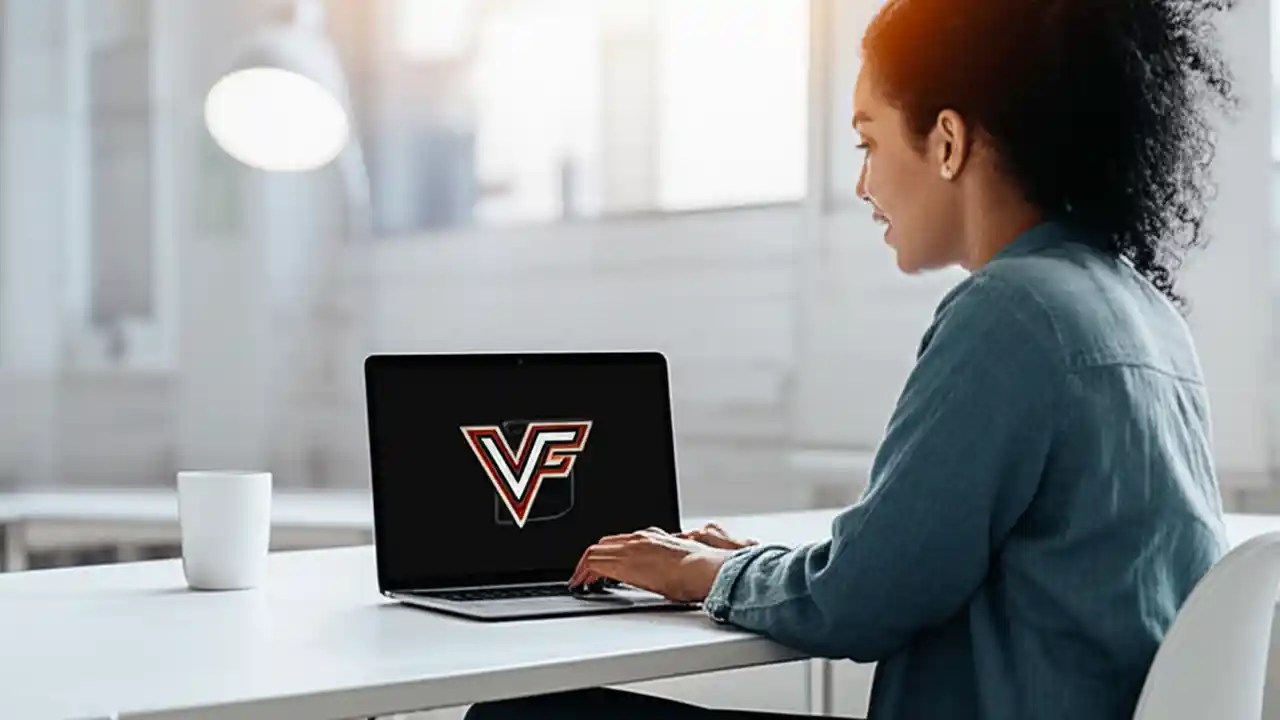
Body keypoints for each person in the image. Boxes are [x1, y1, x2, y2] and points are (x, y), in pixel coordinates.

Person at [467, 0, 1235, 717]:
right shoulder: (1142, 311)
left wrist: (701, 573)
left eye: (869, 142)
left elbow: (863, 603)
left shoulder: (1014, 313)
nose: (863, 185)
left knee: (520, 715)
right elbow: (917, 563)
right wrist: (763, 564)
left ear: (946, 141)